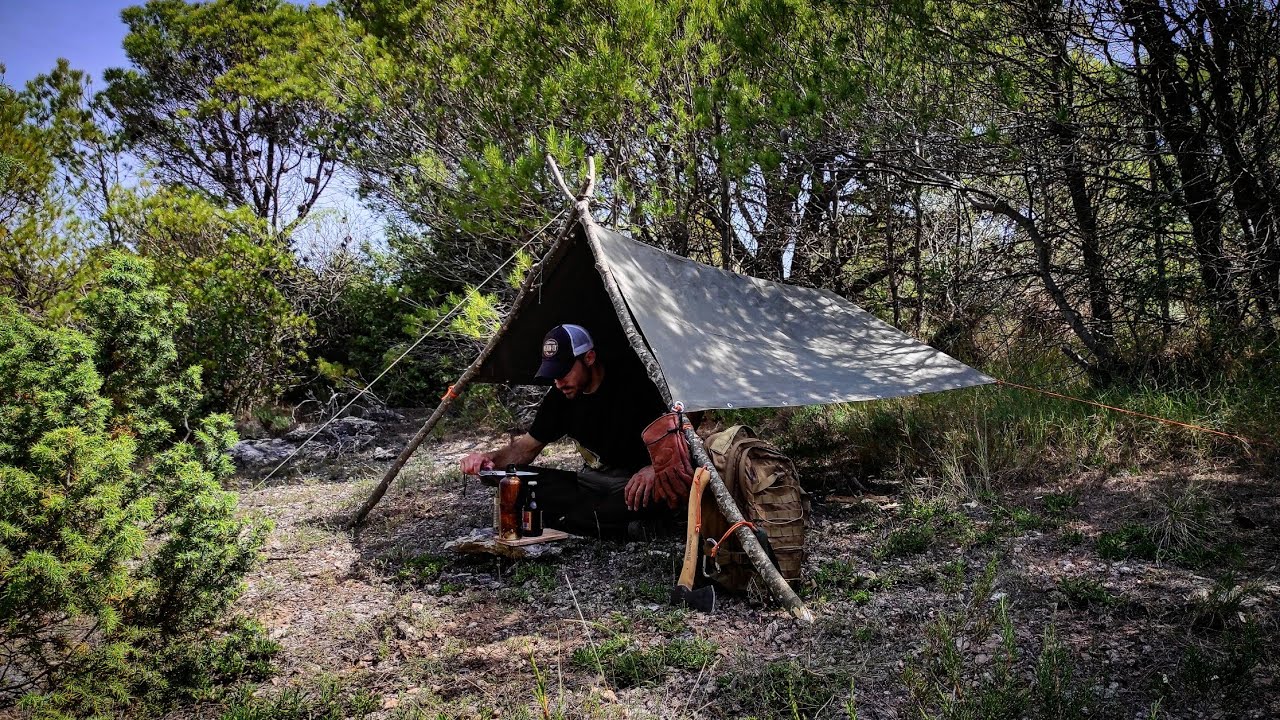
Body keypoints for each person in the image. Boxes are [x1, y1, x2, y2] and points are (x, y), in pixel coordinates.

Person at [459, 324, 678, 537]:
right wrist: (487, 460)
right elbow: (524, 449)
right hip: (591, 481)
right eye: (553, 375)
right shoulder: (560, 397)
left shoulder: (633, 383)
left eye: (563, 372)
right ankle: (600, 522)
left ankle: (598, 522)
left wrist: (654, 468)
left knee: (656, 493)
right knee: (517, 481)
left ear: (589, 358)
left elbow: (682, 427)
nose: (558, 383)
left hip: (636, 482)